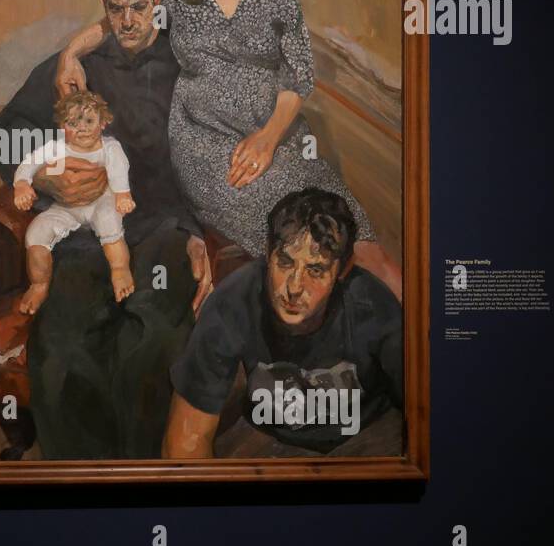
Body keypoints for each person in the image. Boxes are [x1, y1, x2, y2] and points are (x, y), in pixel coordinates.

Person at [55, 0, 402, 300]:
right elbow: (118, 19)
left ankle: (408, 335)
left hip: (277, 138)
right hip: (205, 144)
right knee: (299, 237)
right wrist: (69, 54)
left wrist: (268, 139)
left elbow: (298, 78)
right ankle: (323, 317)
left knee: (354, 233)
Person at [0, 0, 214, 460]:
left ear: (156, 3)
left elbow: (208, 162)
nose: (128, 22)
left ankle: (141, 476)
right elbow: (3, 136)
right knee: (64, 339)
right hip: (82, 232)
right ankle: (77, 478)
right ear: (104, 10)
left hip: (161, 227)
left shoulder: (185, 64)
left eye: (138, 7)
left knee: (153, 334)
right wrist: (45, 177)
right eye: (117, 10)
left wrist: (198, 231)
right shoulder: (74, 68)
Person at [163, 188, 402, 458]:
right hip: (270, 439)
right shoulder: (232, 301)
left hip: (366, 437)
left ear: (342, 271)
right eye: (285, 262)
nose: (295, 287)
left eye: (315, 270)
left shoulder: (375, 308)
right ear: (267, 254)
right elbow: (185, 441)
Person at [13, 89, 135, 313]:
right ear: (62, 127)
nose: (82, 127)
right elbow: (29, 163)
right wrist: (22, 184)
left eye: (89, 120)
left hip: (101, 202)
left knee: (109, 220)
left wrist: (122, 193)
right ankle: (39, 284)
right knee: (36, 233)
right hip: (67, 207)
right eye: (73, 122)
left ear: (103, 123)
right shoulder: (56, 148)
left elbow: (119, 170)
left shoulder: (110, 148)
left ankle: (120, 270)